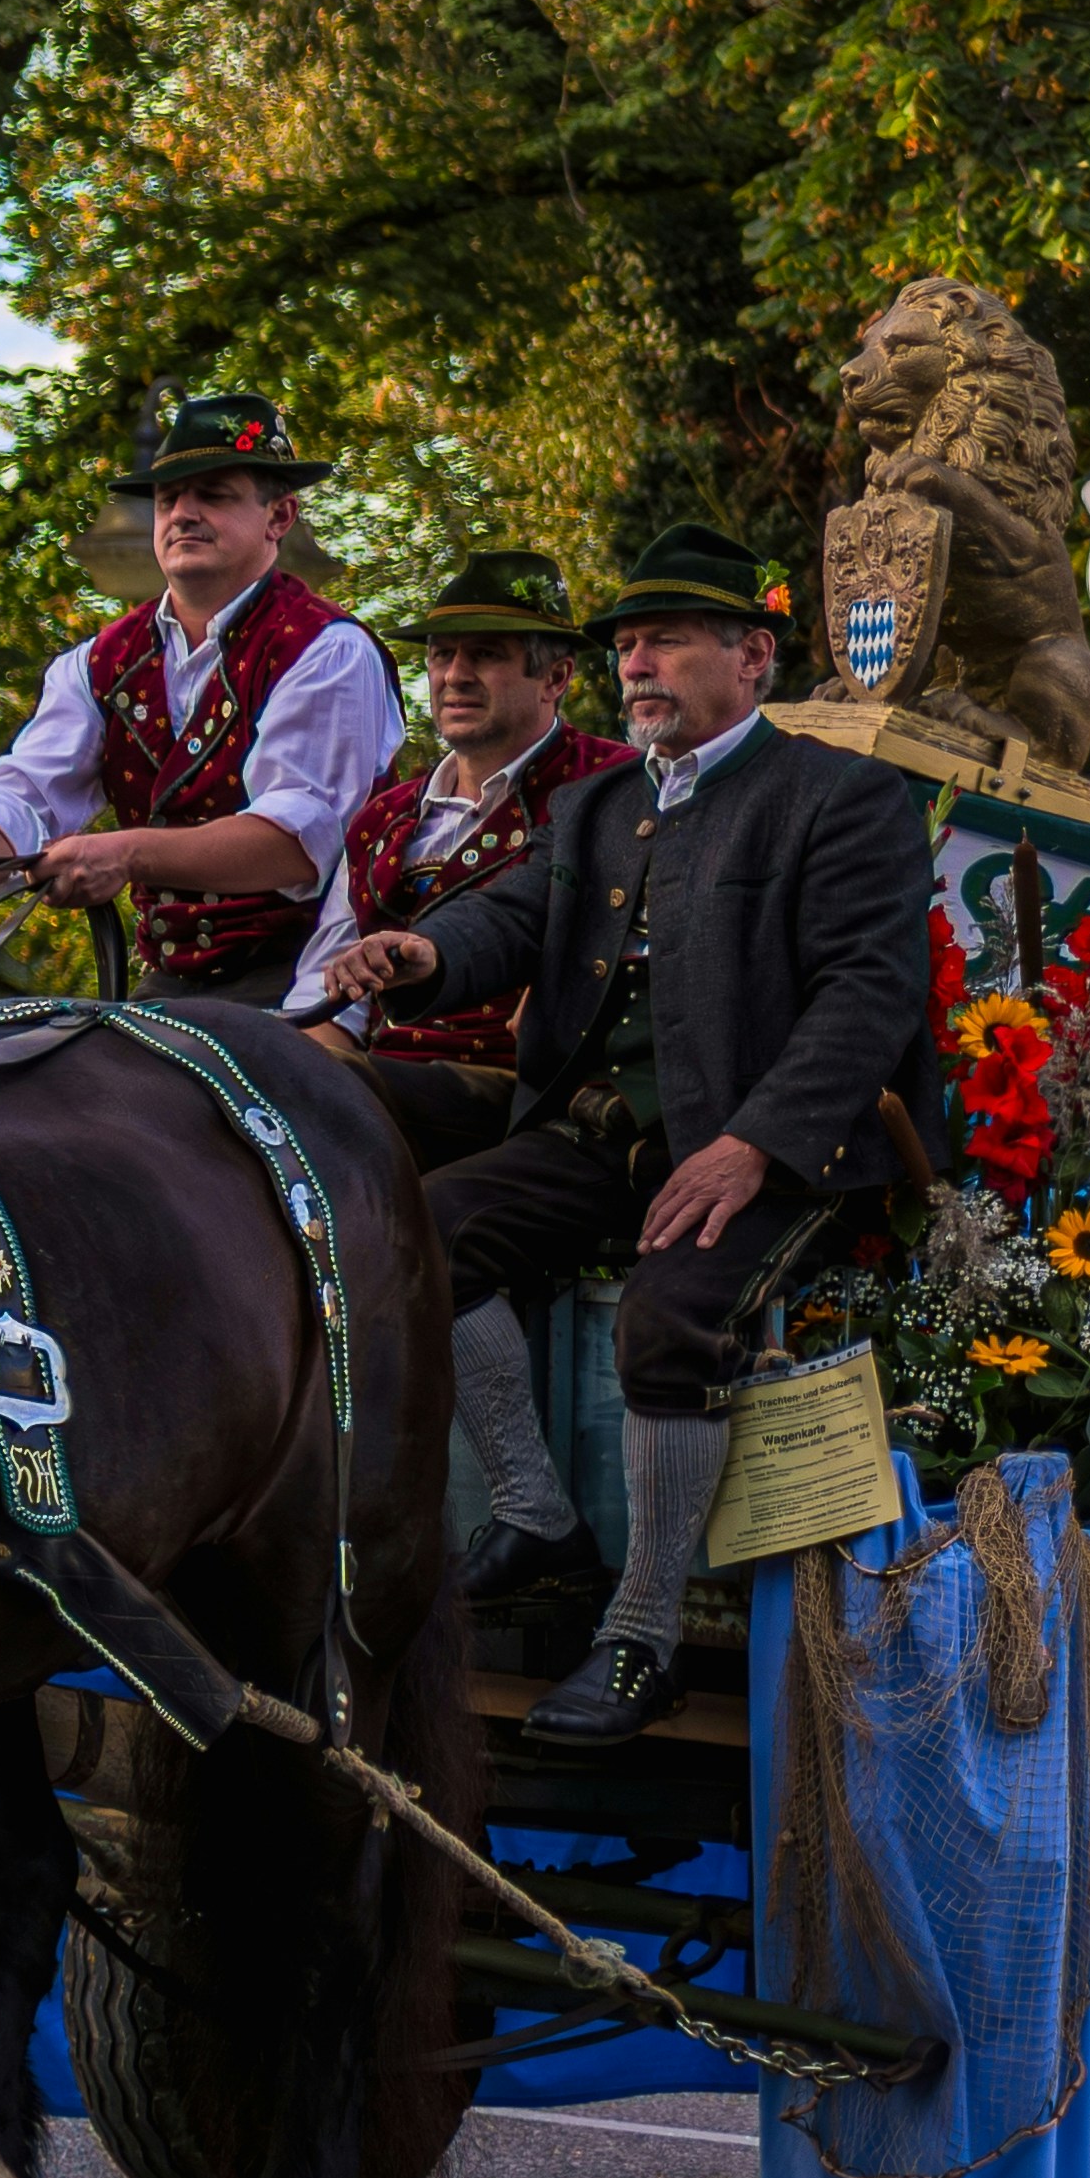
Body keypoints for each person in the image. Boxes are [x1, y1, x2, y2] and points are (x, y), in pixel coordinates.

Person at [326, 514, 941, 1732]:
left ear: (753, 658)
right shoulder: (603, 804)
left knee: (667, 1318)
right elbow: (508, 919)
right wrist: (422, 953)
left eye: (666, 640)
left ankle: (644, 1631)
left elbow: (872, 994)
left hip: (780, 1152)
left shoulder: (846, 796)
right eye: (628, 646)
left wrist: (754, 1141)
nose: (638, 664)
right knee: (414, 1234)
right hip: (606, 1134)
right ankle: (536, 1516)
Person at [297, 542, 643, 1647]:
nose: (453, 676)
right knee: (266, 1101)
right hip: (407, 1084)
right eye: (442, 655)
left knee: (332, 1109)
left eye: (486, 657)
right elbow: (334, 984)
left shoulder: (605, 786)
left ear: (556, 677)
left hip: (545, 1084)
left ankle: (496, 1514)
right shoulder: (385, 816)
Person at [0, 388, 393, 995]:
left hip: (317, 980)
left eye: (213, 495)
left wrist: (125, 854)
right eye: (166, 498)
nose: (182, 512)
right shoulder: (96, 664)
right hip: (173, 984)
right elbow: (20, 794)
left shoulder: (328, 651)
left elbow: (294, 843)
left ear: (279, 517)